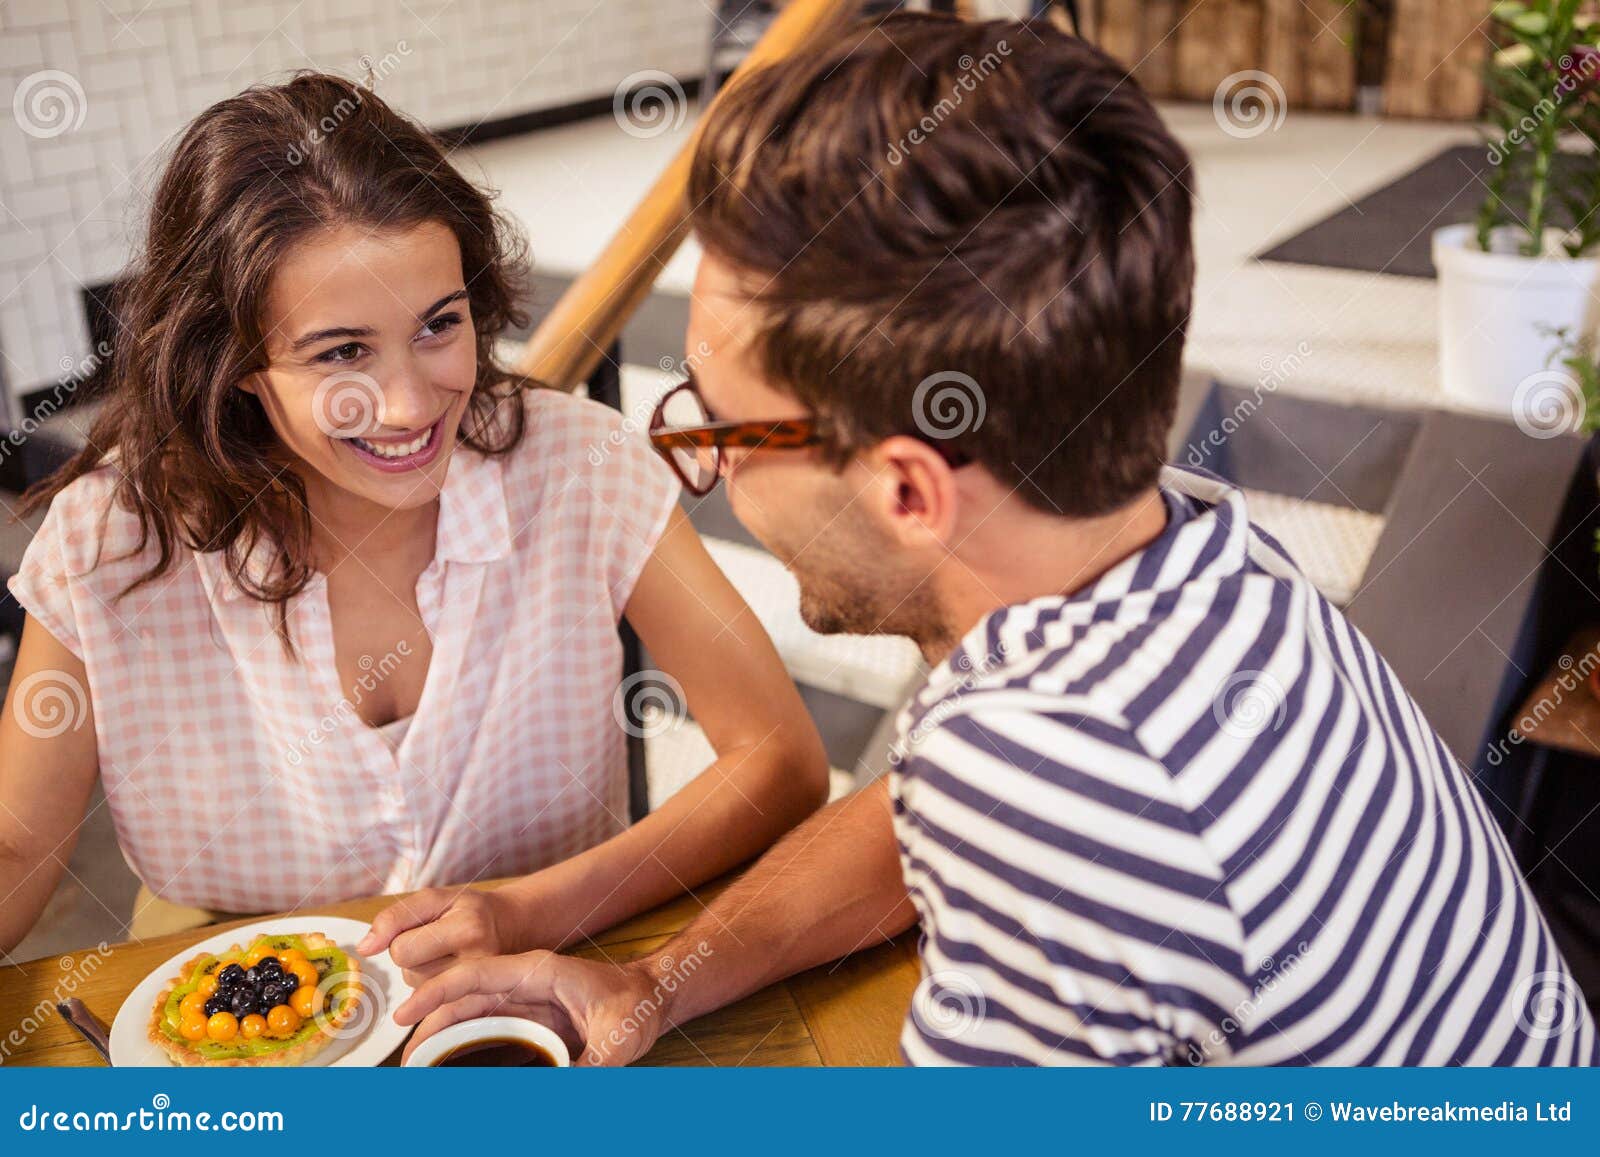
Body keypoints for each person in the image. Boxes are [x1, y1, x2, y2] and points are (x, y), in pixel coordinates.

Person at [392, 14, 1599, 1066]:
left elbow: (1015, 799)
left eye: (719, 427)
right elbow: (914, 801)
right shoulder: (1194, 547)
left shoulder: (1035, 777)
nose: (701, 466)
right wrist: (654, 981)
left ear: (910, 489)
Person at [0, 73, 829, 960]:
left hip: (547, 970)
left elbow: (778, 759)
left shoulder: (579, 467)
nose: (406, 405)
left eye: (439, 325)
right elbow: (16, 843)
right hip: (227, 1006)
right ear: (233, 360)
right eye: (343, 352)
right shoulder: (110, 543)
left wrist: (530, 915)